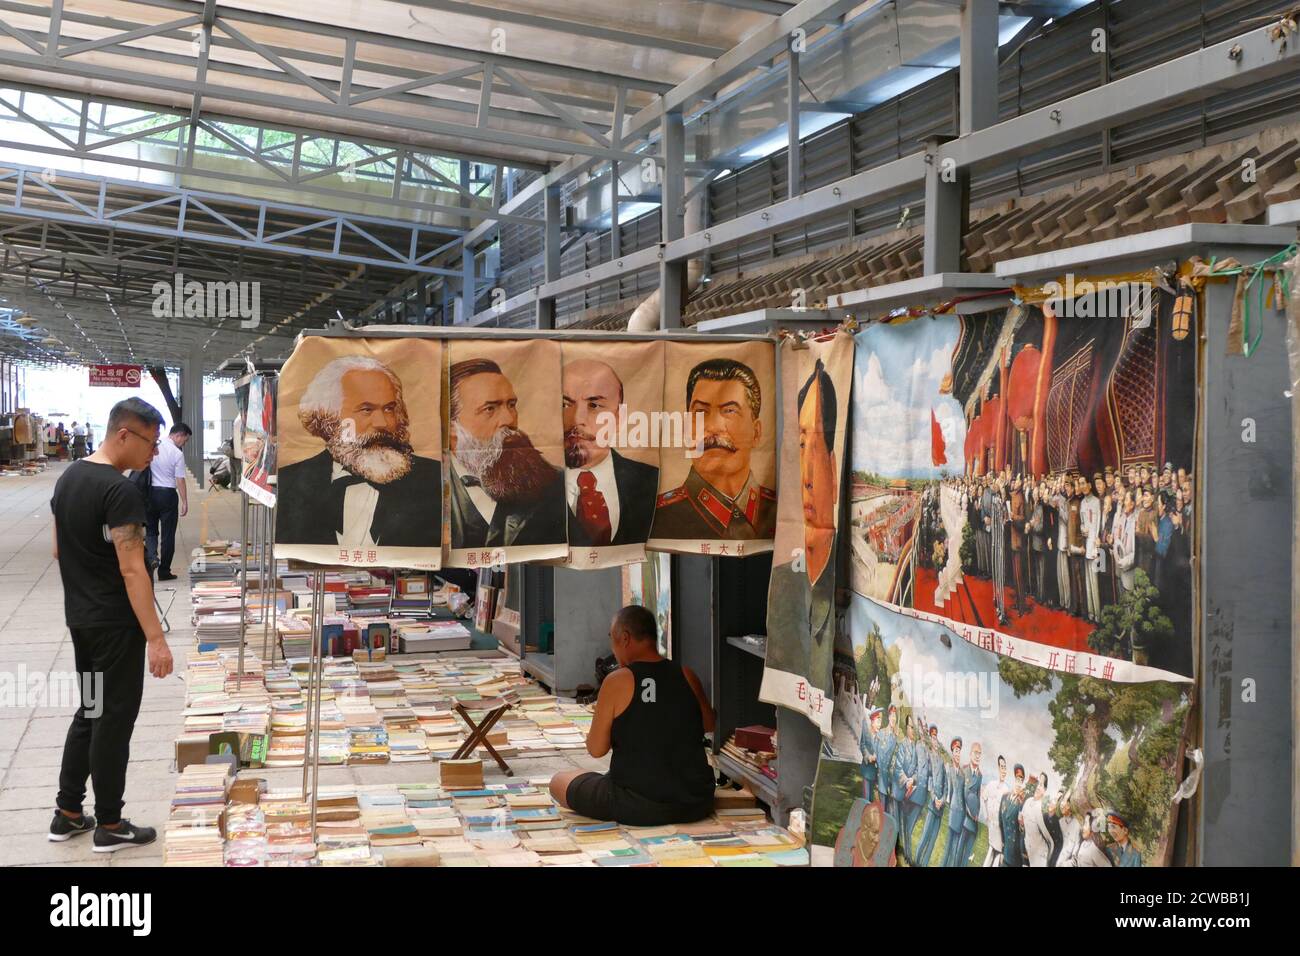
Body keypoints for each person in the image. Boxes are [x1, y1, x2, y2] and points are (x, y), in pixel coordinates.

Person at [48, 398, 174, 852]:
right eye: (150, 443)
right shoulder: (121, 492)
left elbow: (59, 550)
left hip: (81, 619)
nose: (154, 454)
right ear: (124, 434)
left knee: (91, 711)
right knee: (113, 721)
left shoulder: (69, 479)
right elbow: (133, 569)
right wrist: (156, 639)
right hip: (116, 626)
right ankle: (111, 822)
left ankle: (66, 813)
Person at [548, 605, 715, 826]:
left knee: (558, 781)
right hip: (695, 801)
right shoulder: (686, 674)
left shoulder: (618, 680)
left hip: (635, 804)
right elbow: (709, 723)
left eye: (611, 638)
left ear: (625, 638)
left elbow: (596, 749)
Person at [277, 355, 442, 549]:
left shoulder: (432, 478)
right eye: (366, 410)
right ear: (329, 417)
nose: (382, 423)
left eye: (389, 409)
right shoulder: (290, 481)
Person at [447, 358, 565, 550]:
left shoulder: (555, 483)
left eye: (511, 405)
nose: (510, 419)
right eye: (490, 409)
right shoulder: (426, 490)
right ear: (452, 426)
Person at [652, 358, 776, 541]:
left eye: (729, 411)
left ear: (756, 433)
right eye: (701, 412)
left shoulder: (780, 511)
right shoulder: (659, 519)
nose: (714, 426)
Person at [561, 358, 658, 548]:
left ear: (619, 417)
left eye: (594, 405)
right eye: (565, 405)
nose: (577, 419)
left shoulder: (653, 483)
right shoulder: (529, 486)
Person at [145, 423, 191, 581]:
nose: (183, 444)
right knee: (168, 535)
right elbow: (180, 479)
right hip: (168, 495)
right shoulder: (176, 453)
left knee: (150, 530)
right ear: (179, 435)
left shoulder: (153, 446)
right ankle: (164, 571)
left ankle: (152, 557)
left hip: (150, 494)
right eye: (184, 440)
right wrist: (184, 501)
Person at [981, 754, 1010, 866]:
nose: (1003, 770)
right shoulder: (991, 784)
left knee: (996, 855)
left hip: (999, 832)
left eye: (1005, 768)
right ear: (998, 768)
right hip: (991, 828)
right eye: (1001, 767)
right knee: (990, 853)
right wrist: (986, 816)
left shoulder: (1006, 790)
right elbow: (983, 798)